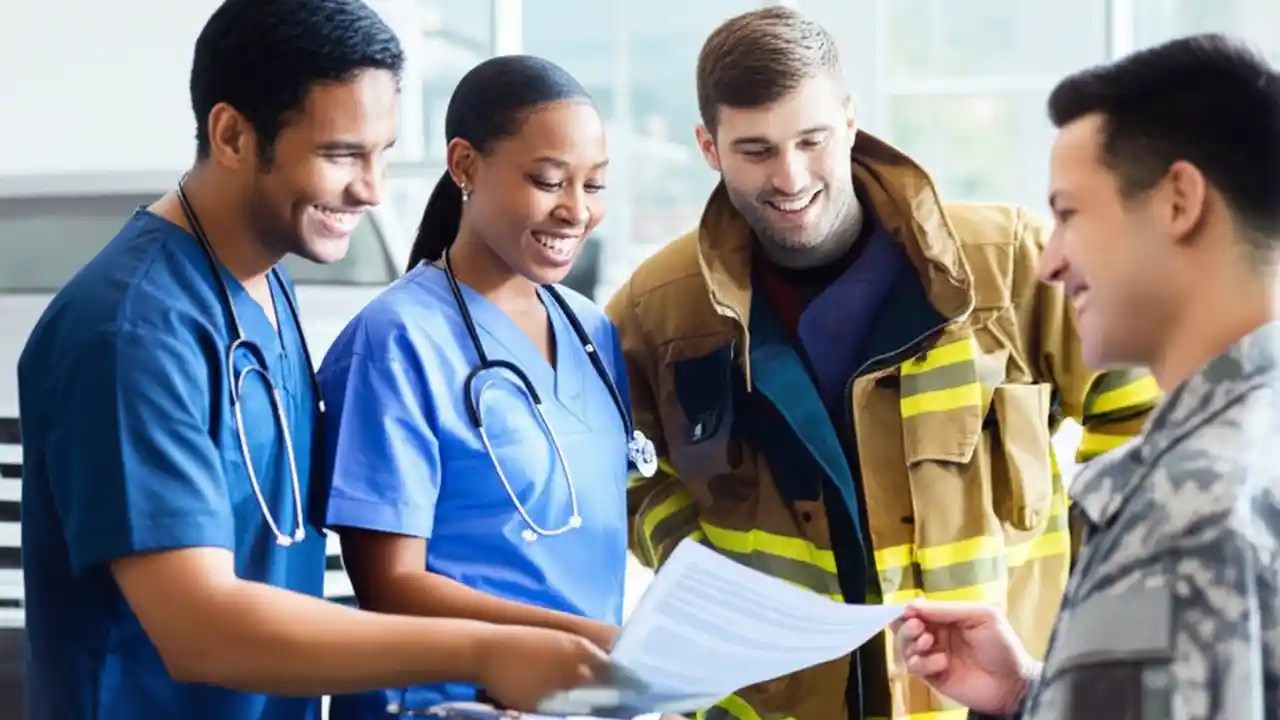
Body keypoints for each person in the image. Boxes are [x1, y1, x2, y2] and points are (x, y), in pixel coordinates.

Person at [15, 4, 606, 720]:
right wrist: (485, 651)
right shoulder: (132, 331)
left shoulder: (267, 287)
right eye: (341, 155)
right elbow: (200, 628)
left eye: (382, 153)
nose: (372, 188)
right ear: (232, 134)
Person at [604, 7, 1162, 720]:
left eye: (812, 139)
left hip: (990, 698)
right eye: (756, 150)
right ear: (708, 147)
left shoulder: (1009, 264)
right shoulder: (658, 311)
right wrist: (691, 559)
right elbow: (607, 465)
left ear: (850, 120)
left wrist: (1097, 586)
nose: (791, 175)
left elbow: (1145, 399)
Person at [896, 33, 1280, 720]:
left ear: (1178, 201)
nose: (1049, 264)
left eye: (1068, 214)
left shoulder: (1183, 509)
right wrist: (1032, 695)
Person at [315, 55, 649, 718]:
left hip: (575, 701)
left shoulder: (589, 332)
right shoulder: (398, 340)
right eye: (549, 181)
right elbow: (390, 583)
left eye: (596, 186)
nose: (576, 211)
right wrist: (593, 643)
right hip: (442, 705)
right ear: (465, 165)